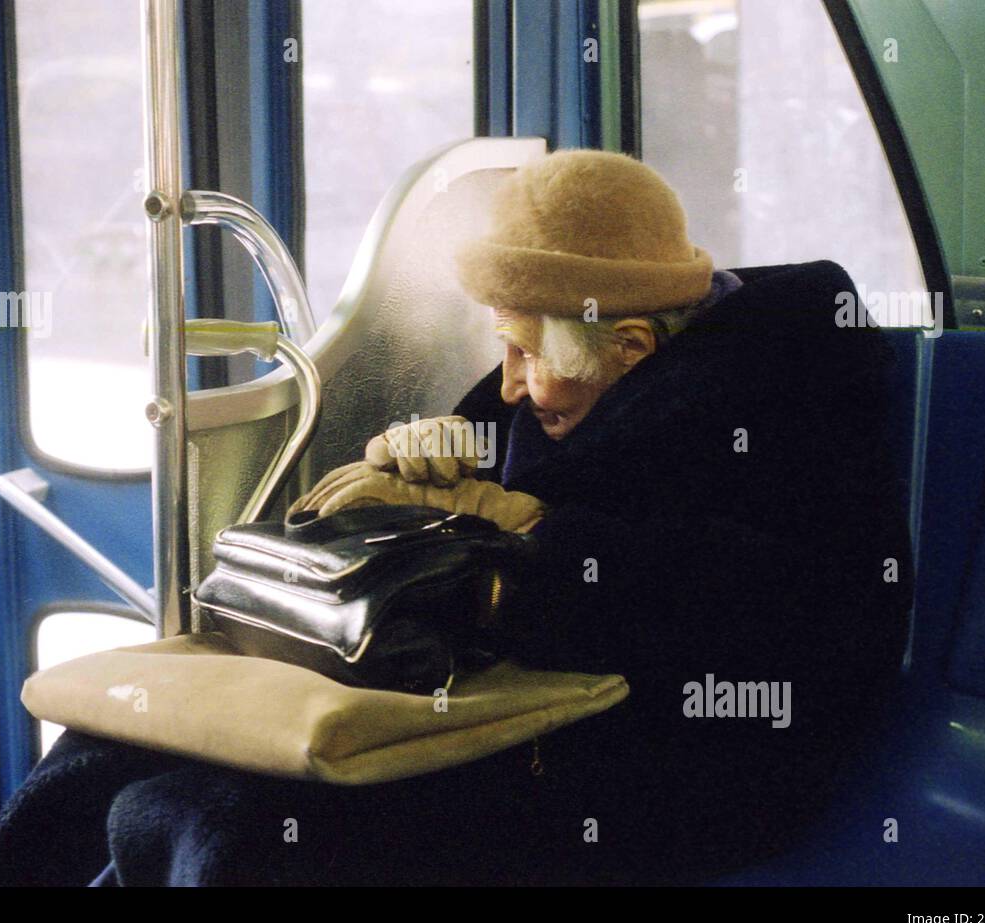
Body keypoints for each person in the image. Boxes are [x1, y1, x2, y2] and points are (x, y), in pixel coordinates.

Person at [291, 148, 913, 880]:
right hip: (535, 718)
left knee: (256, 829)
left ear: (630, 346)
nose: (512, 386)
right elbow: (509, 459)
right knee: (167, 785)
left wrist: (519, 531)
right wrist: (425, 457)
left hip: (686, 772)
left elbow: (771, 617)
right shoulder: (582, 382)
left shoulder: (783, 401)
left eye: (525, 351)